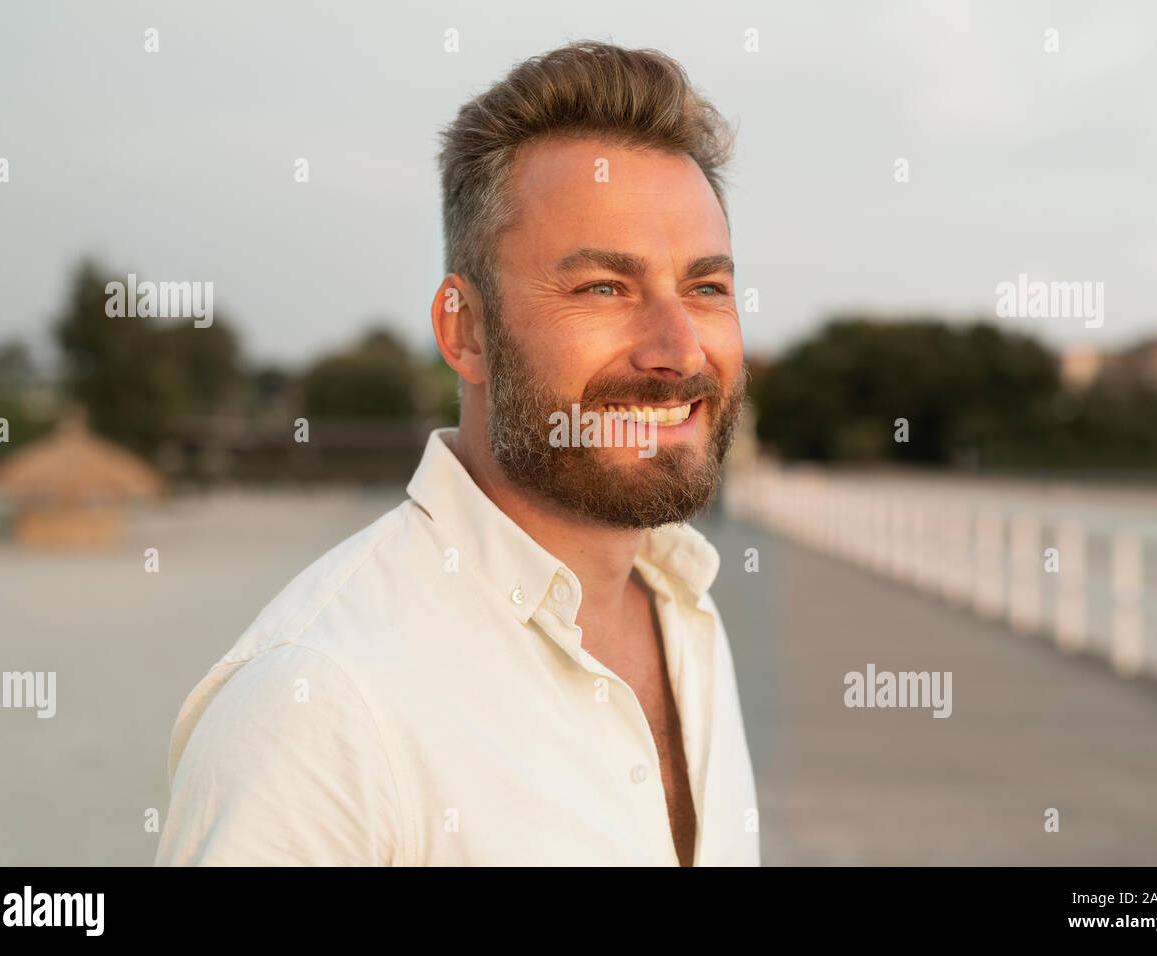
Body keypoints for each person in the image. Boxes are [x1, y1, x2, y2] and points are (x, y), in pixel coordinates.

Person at [156, 40, 758, 866]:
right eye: (602, 288)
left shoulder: (691, 615)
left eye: (706, 287)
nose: (678, 349)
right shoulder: (319, 704)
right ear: (464, 330)